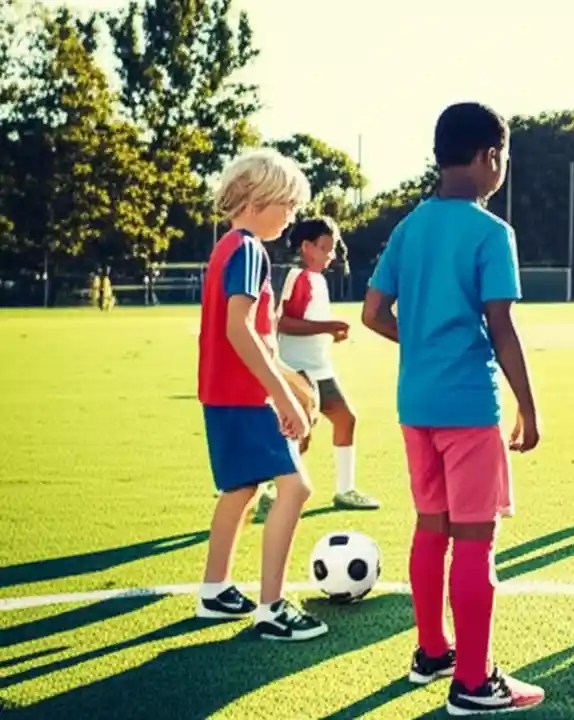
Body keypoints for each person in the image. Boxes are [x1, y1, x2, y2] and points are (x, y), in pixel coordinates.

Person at [362, 101, 545, 715]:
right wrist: (529, 406)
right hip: (469, 406)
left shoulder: (409, 227)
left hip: (415, 406)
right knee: (475, 541)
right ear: (490, 156)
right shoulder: (492, 233)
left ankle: (432, 652)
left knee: (430, 528)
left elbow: (371, 313)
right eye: (504, 157)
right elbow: (502, 327)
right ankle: (472, 682)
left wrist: (423, 342)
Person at [195, 147, 328, 641]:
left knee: (242, 487)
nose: (292, 217)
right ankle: (272, 607)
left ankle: (214, 591)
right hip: (246, 397)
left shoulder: (225, 246)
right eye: (288, 205)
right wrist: (285, 398)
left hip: (221, 394)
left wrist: (284, 383)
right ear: (257, 200)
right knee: (296, 487)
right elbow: (240, 329)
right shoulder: (249, 249)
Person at [256, 216, 380, 523]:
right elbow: (283, 323)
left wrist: (329, 333)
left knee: (345, 419)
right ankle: (270, 496)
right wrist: (329, 326)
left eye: (333, 248)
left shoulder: (318, 280)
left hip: (320, 369)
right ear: (307, 247)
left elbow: (308, 325)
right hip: (296, 369)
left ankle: (345, 490)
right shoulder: (297, 277)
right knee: (300, 435)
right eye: (325, 248)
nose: (331, 255)